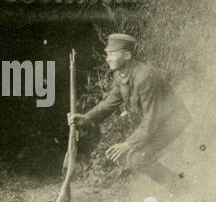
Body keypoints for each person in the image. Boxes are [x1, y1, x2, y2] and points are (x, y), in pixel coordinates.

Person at [67, 33, 190, 189]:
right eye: (107, 54)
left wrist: (127, 144)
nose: (107, 58)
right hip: (158, 123)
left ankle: (183, 189)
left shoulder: (145, 76)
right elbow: (109, 103)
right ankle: (182, 188)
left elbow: (151, 119)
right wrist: (86, 117)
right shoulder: (121, 74)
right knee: (137, 158)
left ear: (127, 54)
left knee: (137, 158)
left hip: (174, 121)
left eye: (112, 54)